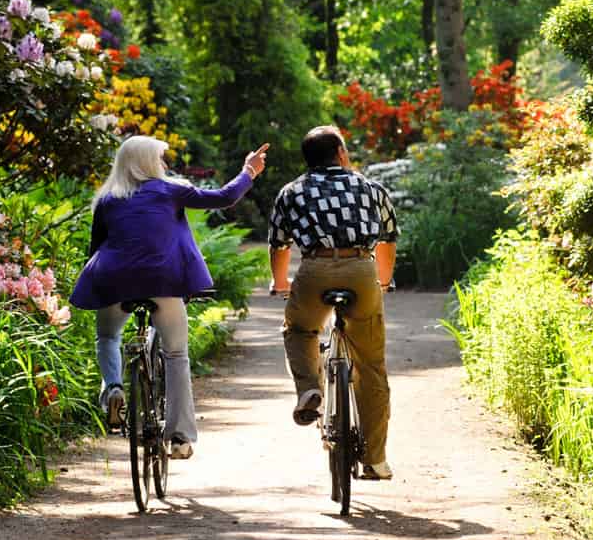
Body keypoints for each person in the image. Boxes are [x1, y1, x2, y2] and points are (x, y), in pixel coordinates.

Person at [70, 135, 268, 459]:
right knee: (176, 355)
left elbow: (96, 249)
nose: (164, 164)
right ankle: (179, 437)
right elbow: (224, 197)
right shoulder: (171, 190)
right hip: (163, 281)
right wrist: (248, 171)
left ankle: (114, 389)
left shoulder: (107, 200)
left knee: (107, 337)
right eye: (161, 159)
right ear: (149, 162)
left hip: (113, 280)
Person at [267, 125, 398, 480]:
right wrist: (382, 282)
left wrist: (281, 283)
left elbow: (279, 245)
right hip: (361, 269)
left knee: (299, 330)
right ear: (340, 153)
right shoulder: (370, 187)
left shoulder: (291, 191)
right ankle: (374, 460)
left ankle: (309, 389)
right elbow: (387, 241)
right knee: (370, 366)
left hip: (314, 270)